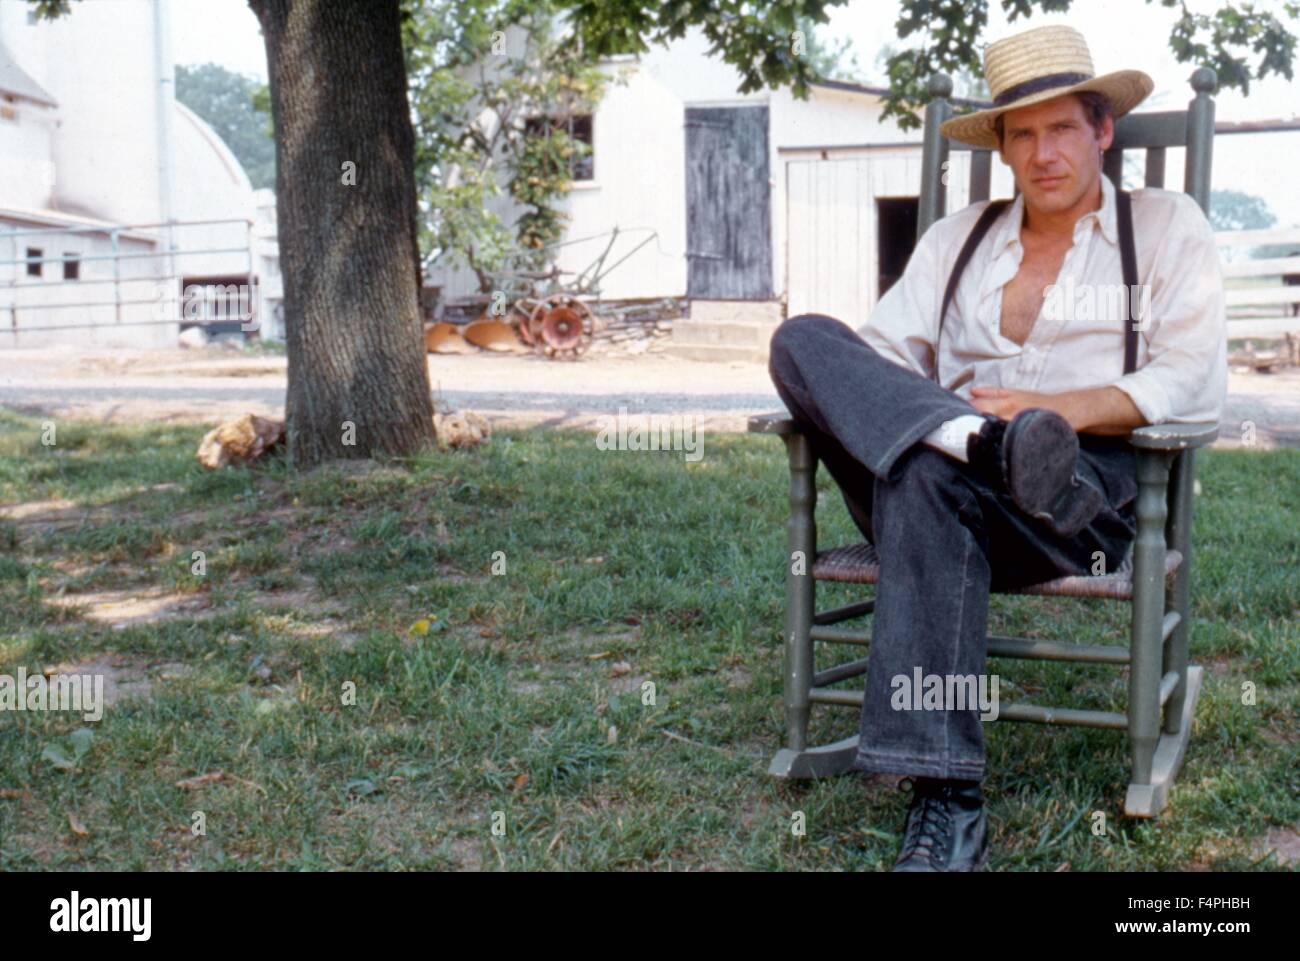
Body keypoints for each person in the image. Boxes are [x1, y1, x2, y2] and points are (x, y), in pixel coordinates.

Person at [767, 23, 1227, 871]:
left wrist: (1054, 409)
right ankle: (969, 441)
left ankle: (946, 801)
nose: (1043, 151)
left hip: (1078, 502)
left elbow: (1191, 380)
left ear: (1103, 131)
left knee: (918, 484)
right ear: (1005, 146)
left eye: (1061, 128)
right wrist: (957, 430)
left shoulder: (1164, 227)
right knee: (803, 339)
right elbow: (875, 359)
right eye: (1023, 133)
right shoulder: (957, 240)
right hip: (950, 469)